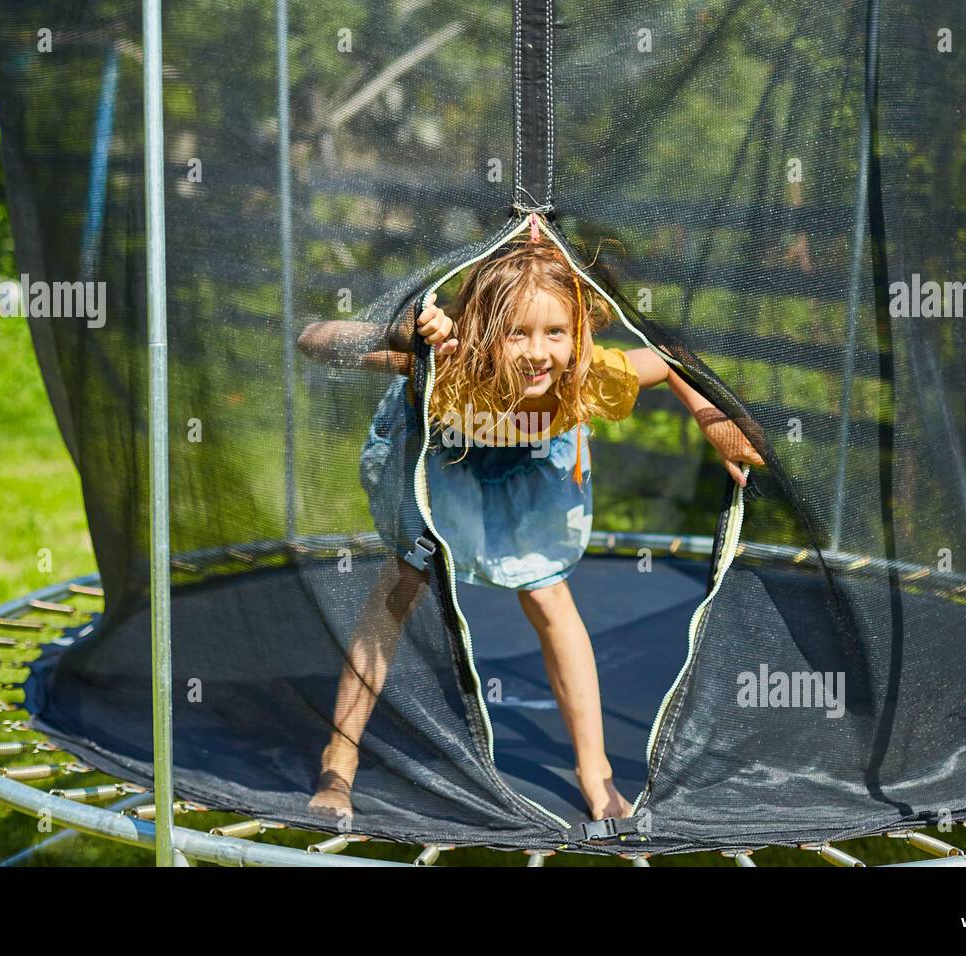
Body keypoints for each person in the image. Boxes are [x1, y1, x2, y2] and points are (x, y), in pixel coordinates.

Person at [296, 215, 763, 824]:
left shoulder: (586, 375)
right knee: (399, 585)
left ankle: (595, 777)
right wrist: (402, 331)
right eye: (517, 334)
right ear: (484, 332)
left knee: (548, 598)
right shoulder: (451, 362)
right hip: (444, 461)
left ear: (577, 335)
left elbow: (668, 358)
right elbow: (314, 337)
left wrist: (709, 416)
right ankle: (340, 762)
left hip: (528, 472)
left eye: (555, 332)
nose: (539, 353)